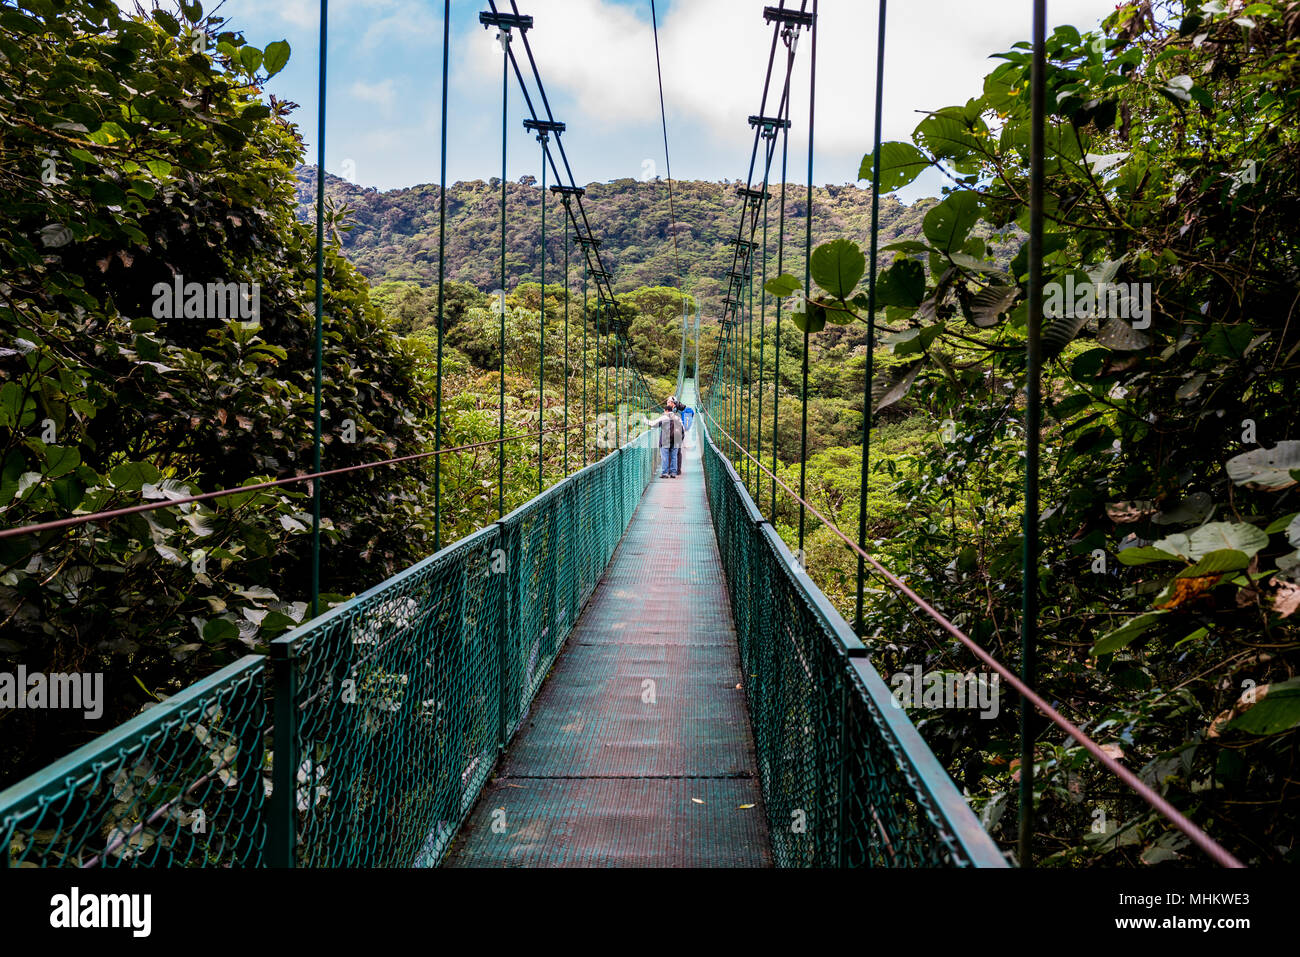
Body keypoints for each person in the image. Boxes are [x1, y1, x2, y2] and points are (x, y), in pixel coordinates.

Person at [645, 401, 684, 478]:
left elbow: (653, 424)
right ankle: (673, 473)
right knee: (674, 456)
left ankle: (665, 473)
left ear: (666, 410)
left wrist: (644, 420)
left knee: (665, 457)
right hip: (676, 440)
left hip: (665, 440)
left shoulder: (664, 417)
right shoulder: (677, 418)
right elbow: (683, 429)